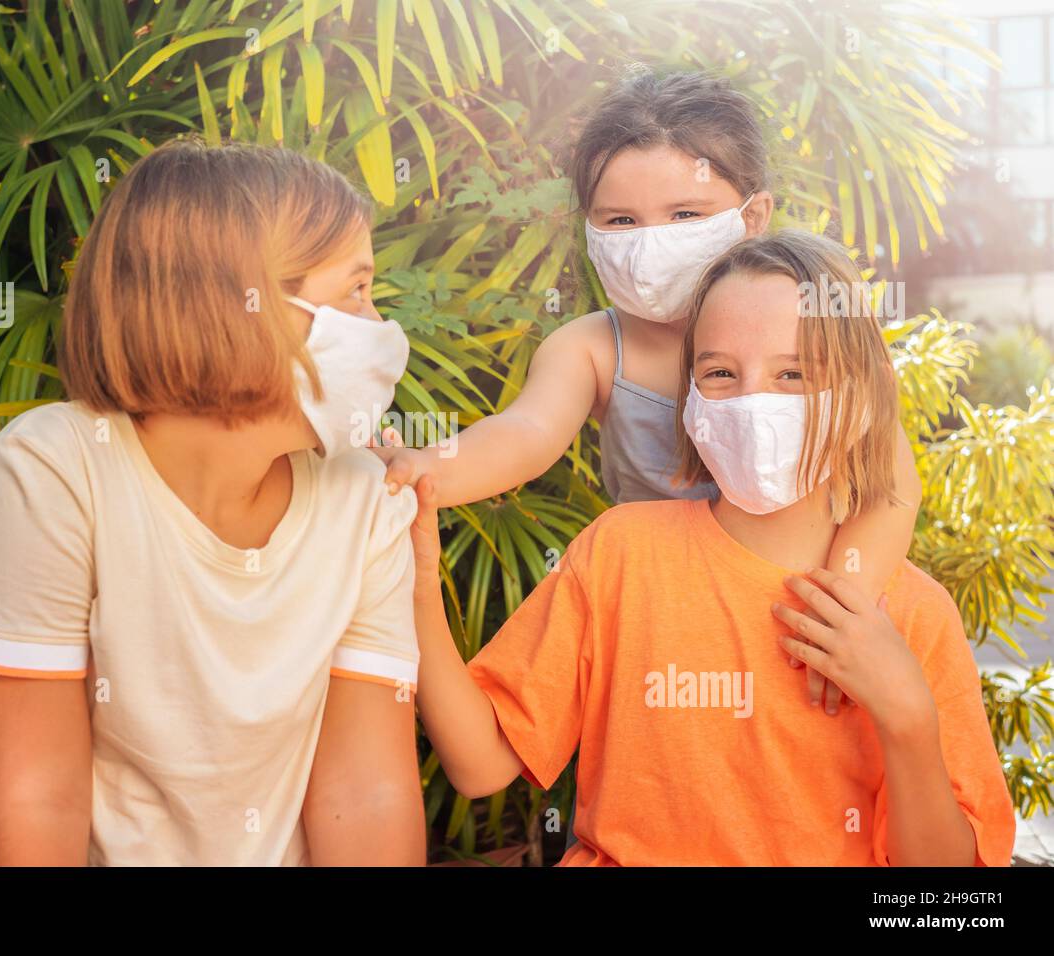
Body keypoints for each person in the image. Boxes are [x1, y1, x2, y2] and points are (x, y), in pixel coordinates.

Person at [409, 230, 1015, 866]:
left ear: (862, 394)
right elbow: (480, 764)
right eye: (721, 372)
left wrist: (907, 715)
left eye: (794, 373)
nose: (754, 400)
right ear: (690, 399)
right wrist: (419, 592)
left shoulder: (913, 615)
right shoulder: (620, 554)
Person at [377, 69, 923, 715]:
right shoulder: (591, 348)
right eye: (622, 220)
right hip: (666, 616)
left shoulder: (819, 324)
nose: (650, 243)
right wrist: (424, 470)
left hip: (803, 613)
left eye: (685, 214)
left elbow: (891, 483)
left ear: (754, 216)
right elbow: (524, 435)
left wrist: (846, 599)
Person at [0, 139, 425, 866]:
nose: (381, 323)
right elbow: (42, 800)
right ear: (244, 303)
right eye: (356, 290)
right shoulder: (49, 473)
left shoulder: (364, 499)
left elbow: (364, 796)